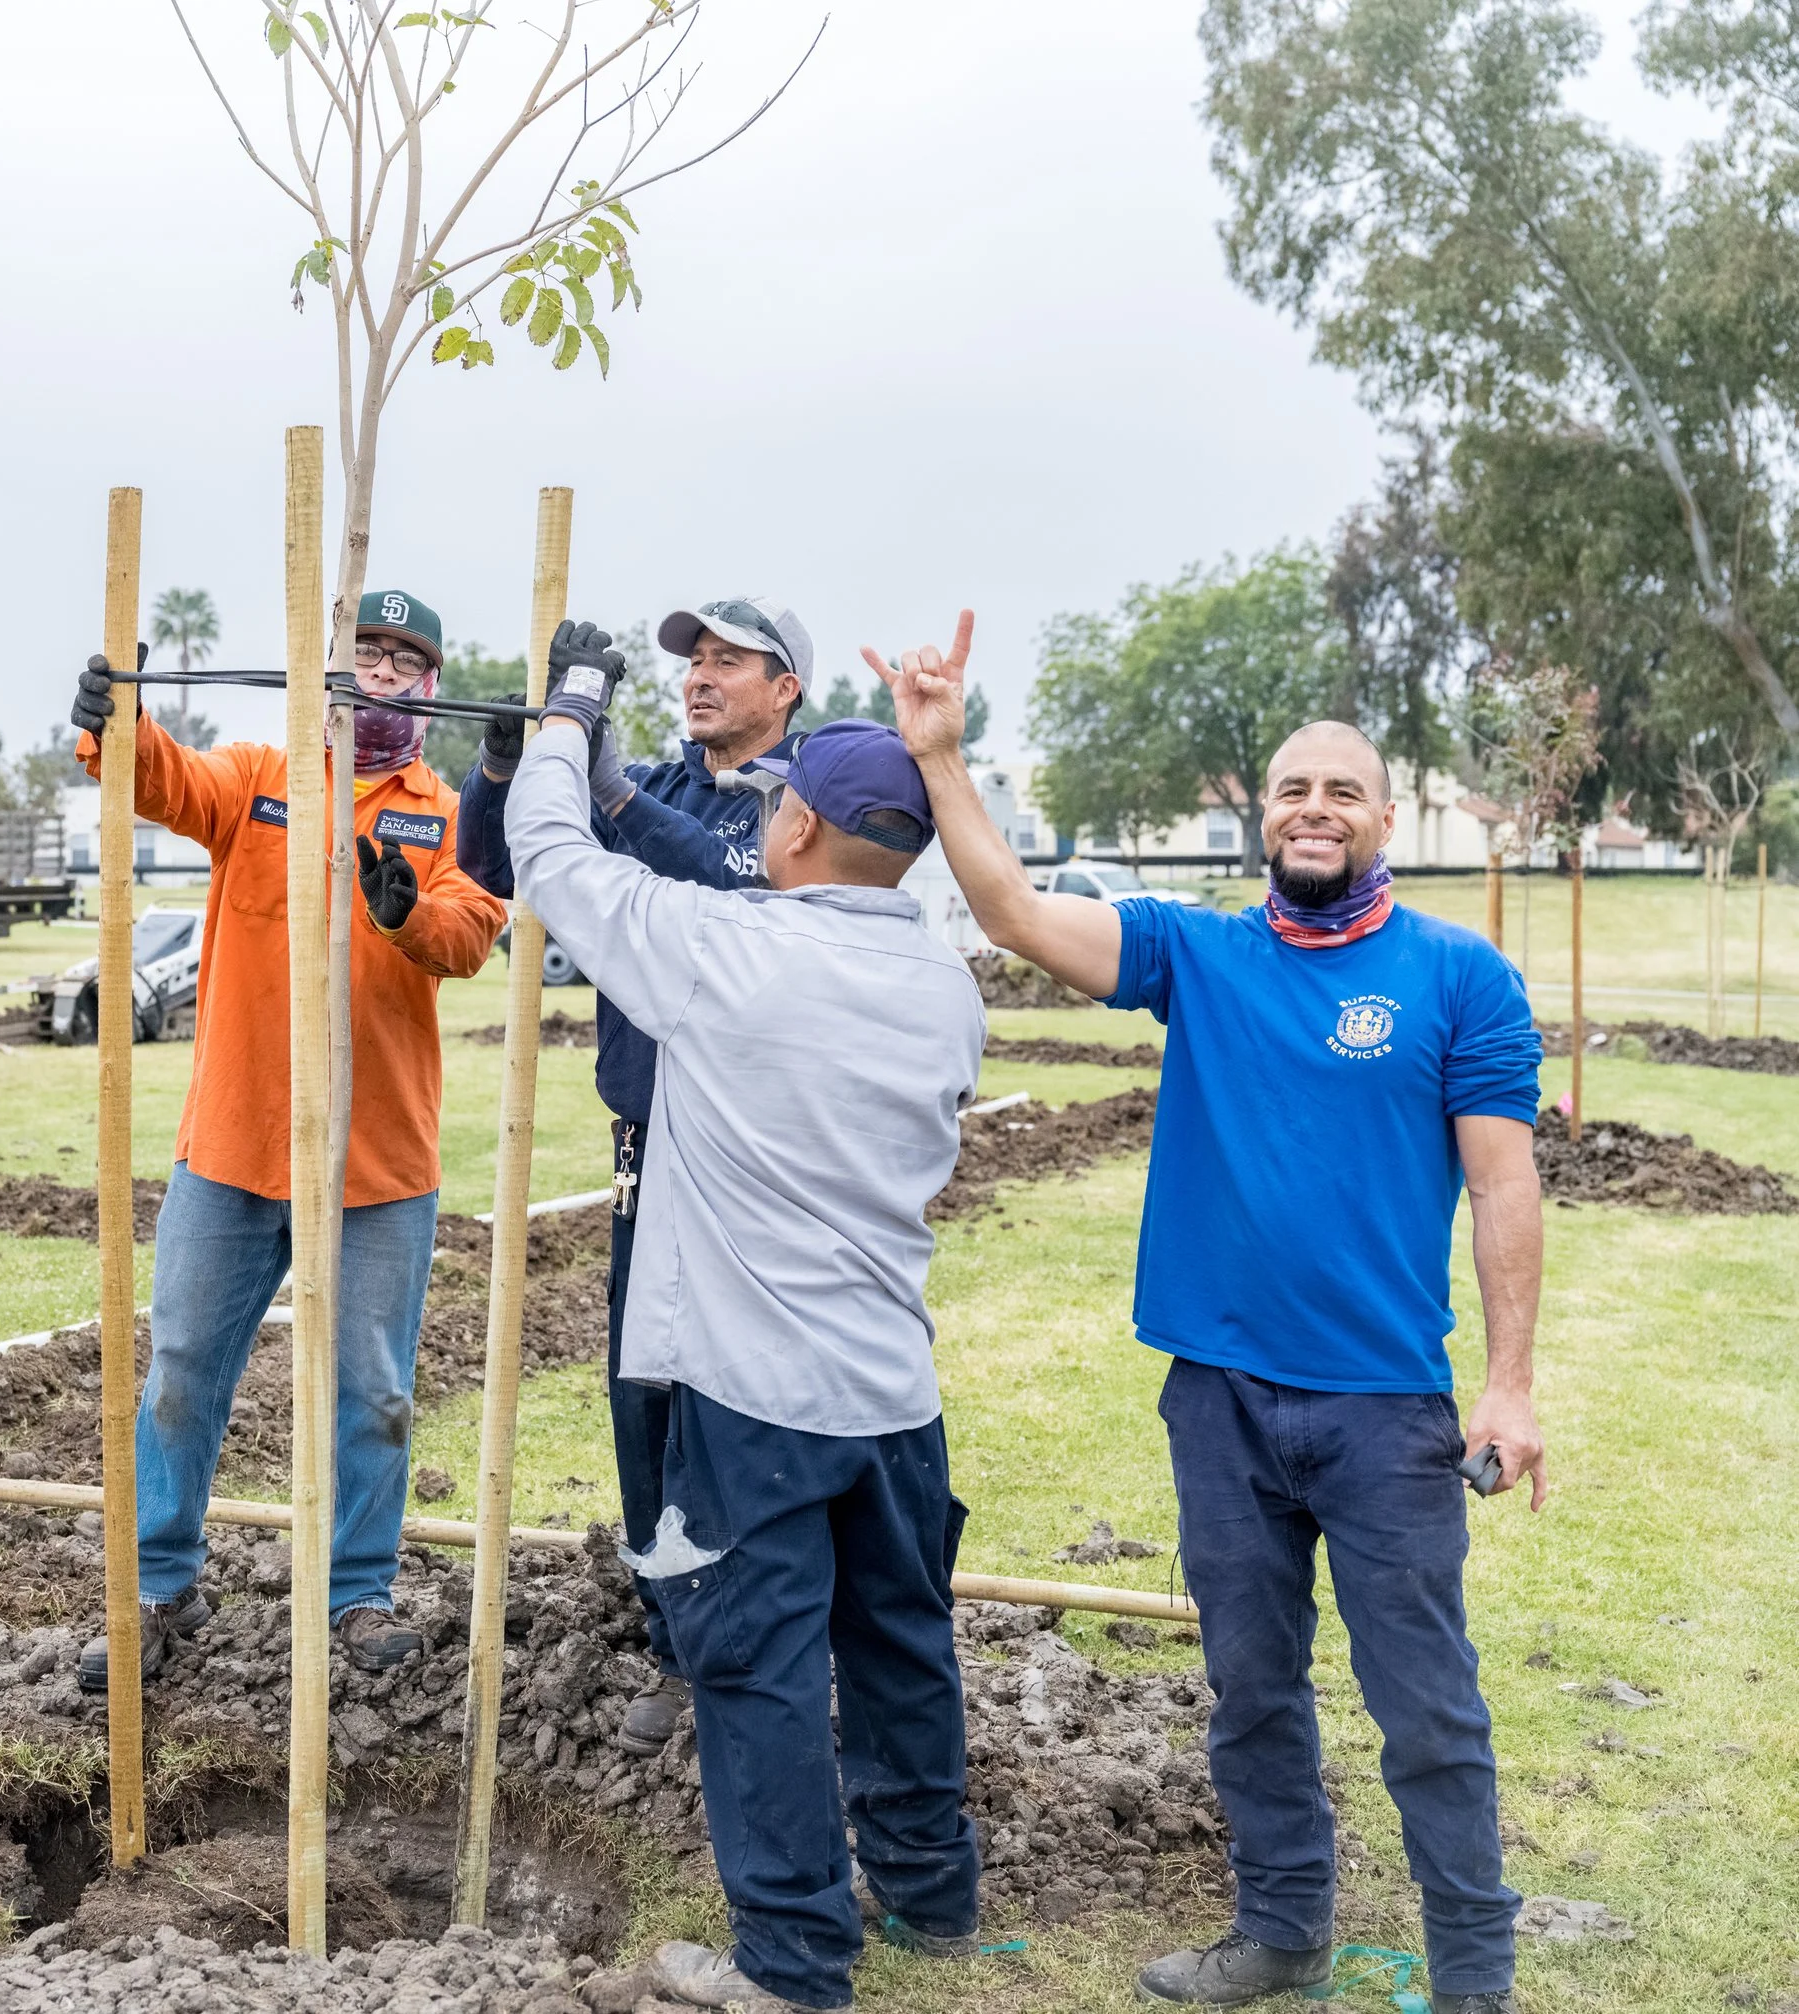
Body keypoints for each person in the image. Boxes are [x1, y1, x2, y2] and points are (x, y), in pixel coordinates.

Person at [868, 613, 1547, 2014]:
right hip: (1221, 1394)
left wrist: (1512, 1382)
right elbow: (1011, 911)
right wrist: (941, 756)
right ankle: (1284, 1927)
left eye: (1342, 789)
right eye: (1294, 787)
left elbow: (1502, 1184)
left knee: (1425, 1703)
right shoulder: (1201, 956)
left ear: (1385, 816)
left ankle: (1474, 1970)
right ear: (1266, 817)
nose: (1314, 808)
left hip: (1381, 1408)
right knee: (1250, 1688)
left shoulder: (1458, 977)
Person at [505, 645, 988, 2014]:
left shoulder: (724, 955)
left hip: (752, 1397)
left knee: (758, 1668)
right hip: (890, 1392)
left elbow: (548, 848)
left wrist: (570, 712)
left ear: (798, 825)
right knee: (898, 1639)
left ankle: (789, 1962)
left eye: (776, 803)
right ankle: (930, 1890)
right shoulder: (947, 987)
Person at [67, 589, 507, 1683]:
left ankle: (356, 1594)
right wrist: (112, 721)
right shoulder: (260, 780)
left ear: (432, 688)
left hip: (376, 1160)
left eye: (408, 661)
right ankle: (160, 1587)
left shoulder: (442, 812)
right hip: (233, 1145)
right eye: (366, 653)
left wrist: (406, 911)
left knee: (376, 1387)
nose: (385, 674)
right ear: (324, 668)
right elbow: (159, 777)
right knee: (178, 1366)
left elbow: (470, 934)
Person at [458, 595, 811, 1756]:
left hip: (757, 1163)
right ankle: (677, 1636)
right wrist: (512, 763)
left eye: (729, 660)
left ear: (786, 687)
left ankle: (774, 1635)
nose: (700, 676)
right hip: (646, 1150)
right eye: (691, 661)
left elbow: (725, 873)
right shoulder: (658, 781)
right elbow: (492, 864)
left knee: (747, 1402)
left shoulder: (809, 803)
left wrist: (599, 776)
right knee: (644, 1401)